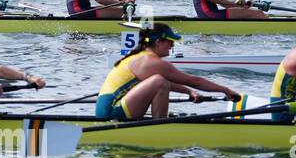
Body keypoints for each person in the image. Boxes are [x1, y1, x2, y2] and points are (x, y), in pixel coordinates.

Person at [96, 23, 239, 121]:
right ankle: (159, 125)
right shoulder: (150, 62)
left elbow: (174, 83)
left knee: (159, 81)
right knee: (159, 81)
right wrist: (225, 90)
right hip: (111, 112)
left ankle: (158, 121)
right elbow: (194, 81)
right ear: (158, 42)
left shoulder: (139, 57)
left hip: (107, 109)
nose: (172, 45)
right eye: (170, 41)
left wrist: (188, 92)